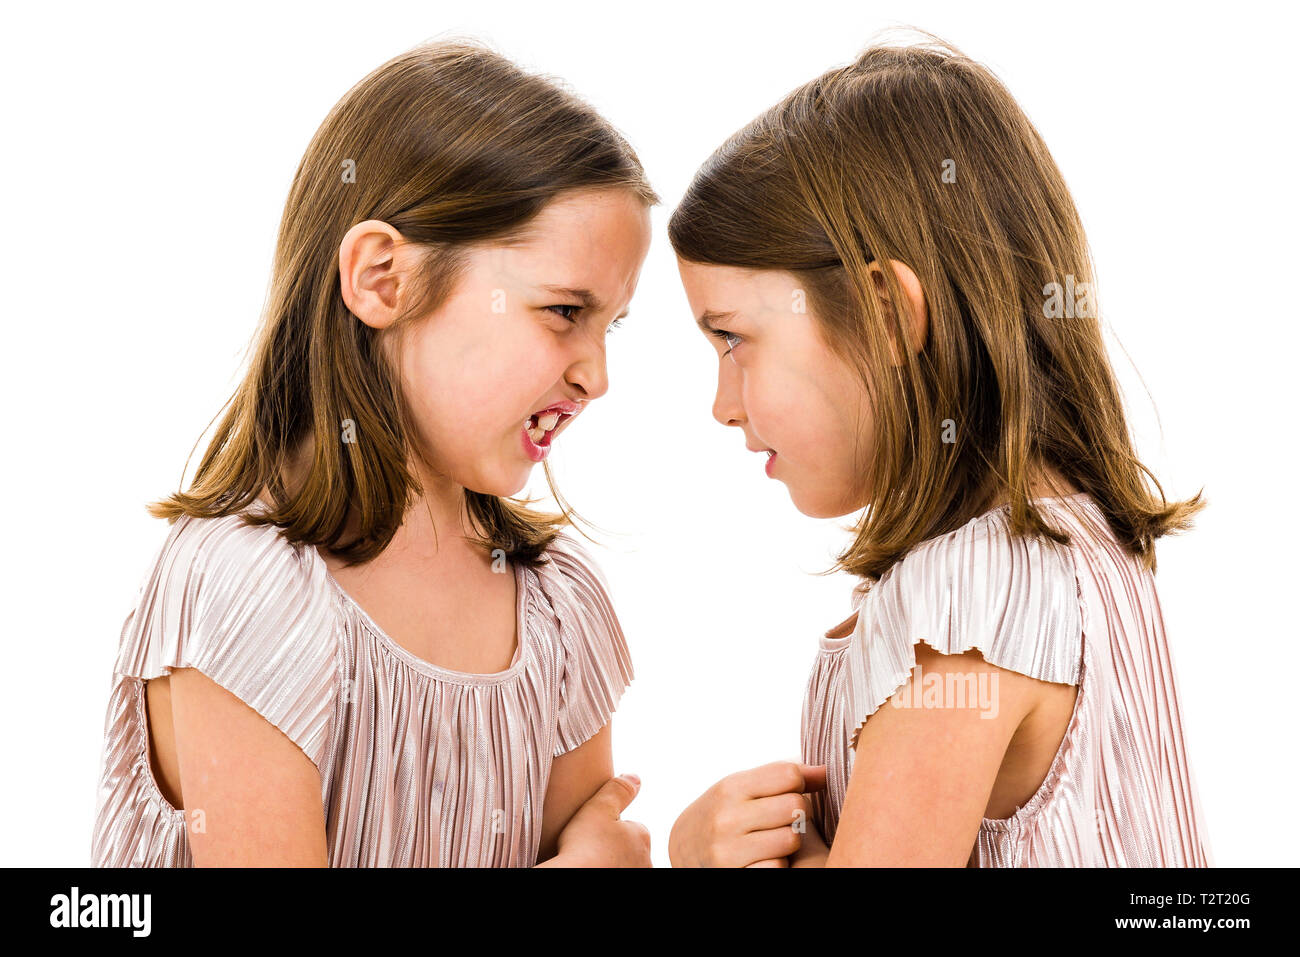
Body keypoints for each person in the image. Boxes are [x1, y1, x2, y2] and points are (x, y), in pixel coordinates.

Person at [91, 38, 654, 867]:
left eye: (612, 325)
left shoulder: (558, 613)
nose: (597, 374)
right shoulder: (247, 590)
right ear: (383, 278)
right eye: (565, 311)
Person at [667, 32, 1213, 867]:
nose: (721, 404)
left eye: (733, 338)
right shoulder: (1084, 549)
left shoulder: (966, 607)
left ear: (887, 311)